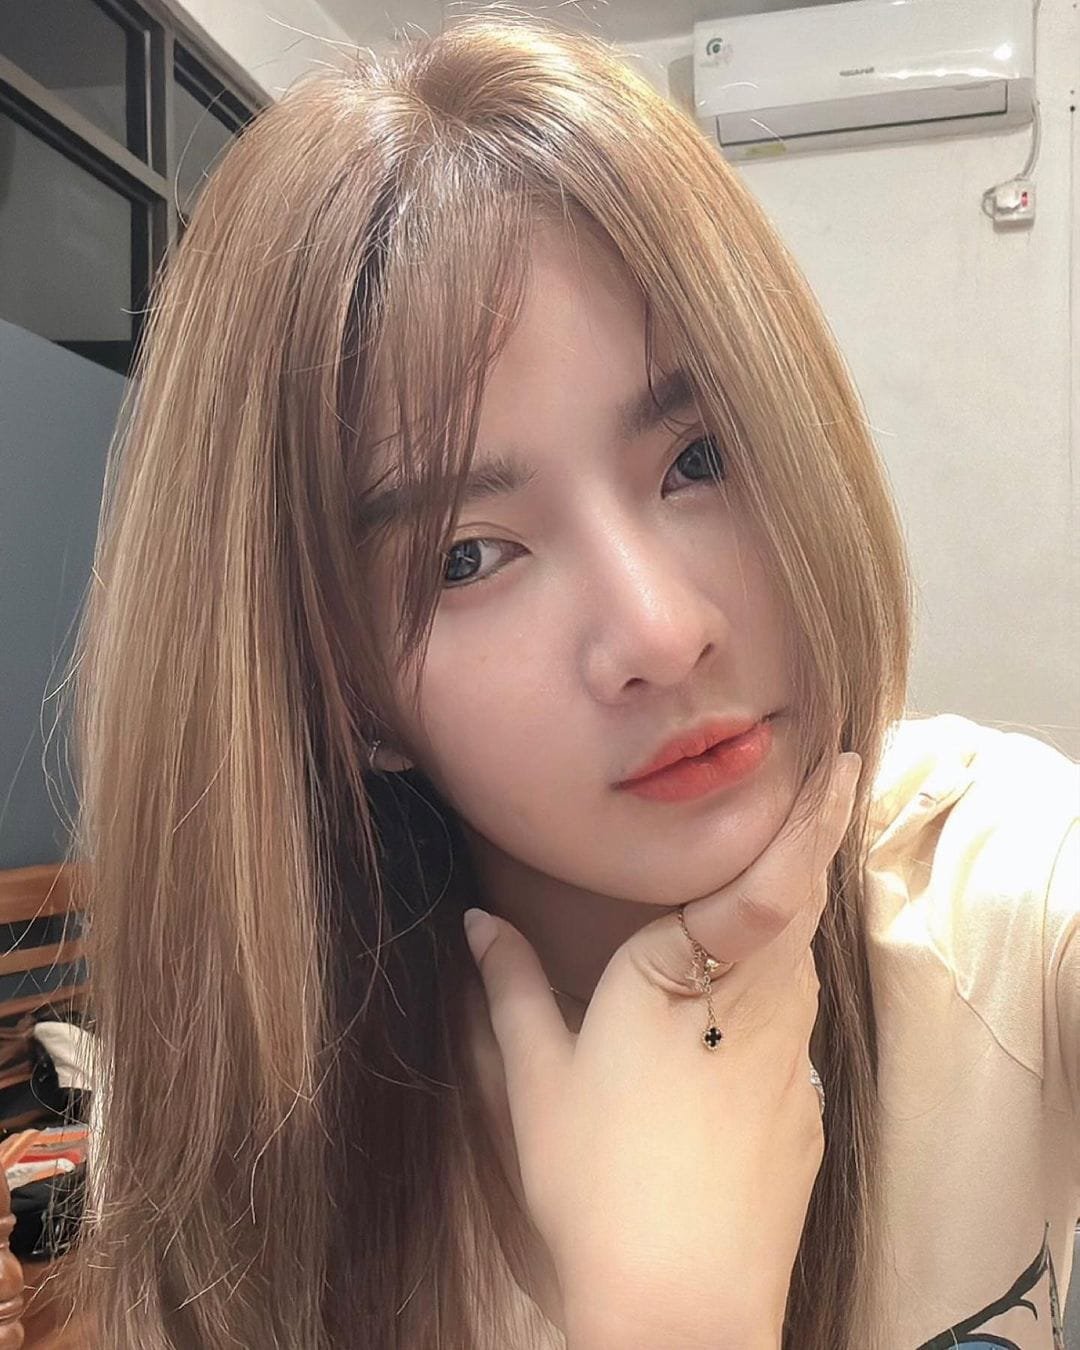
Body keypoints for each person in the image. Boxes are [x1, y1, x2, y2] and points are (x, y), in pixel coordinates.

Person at [52, 15, 1077, 1350]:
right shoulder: (250, 1152)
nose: (660, 630)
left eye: (699, 458)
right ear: (346, 692)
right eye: (467, 557)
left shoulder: (995, 887)